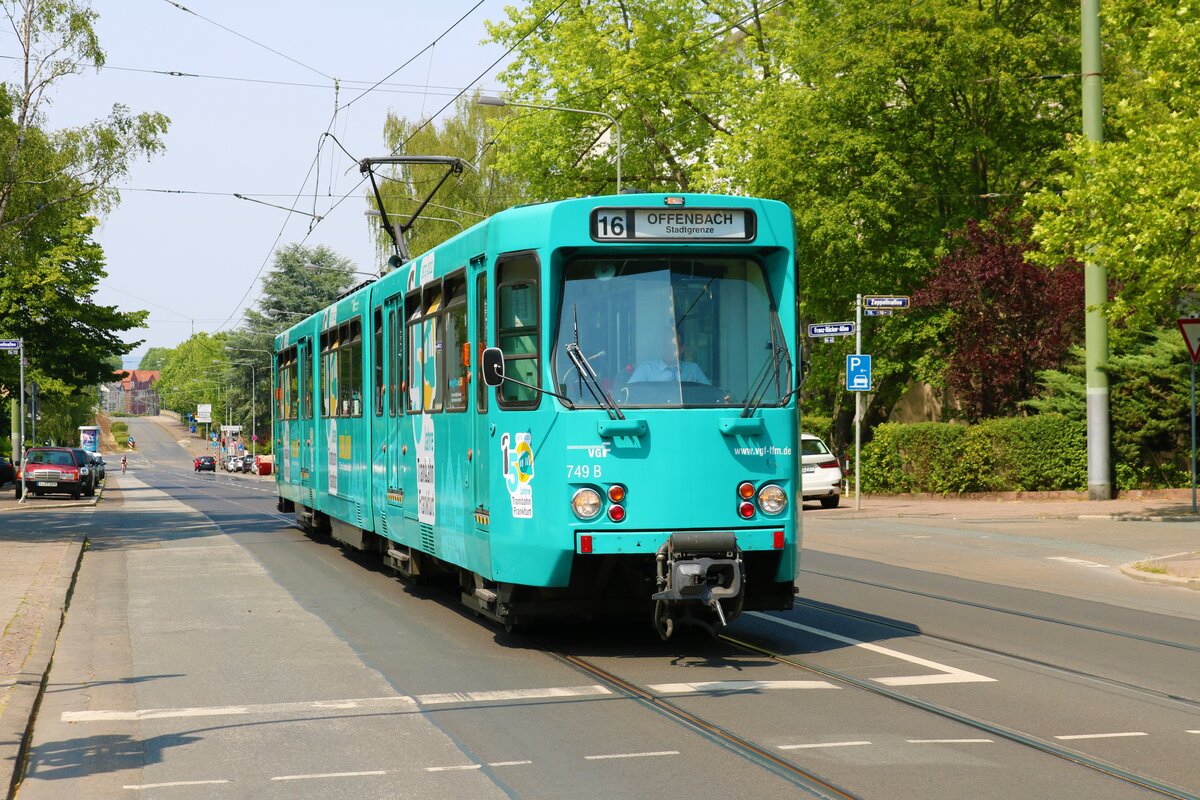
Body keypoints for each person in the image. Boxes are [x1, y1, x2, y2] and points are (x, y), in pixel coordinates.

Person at [628, 327, 710, 385]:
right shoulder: (646, 368)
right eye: (666, 346)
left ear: (682, 348)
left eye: (673, 346)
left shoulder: (693, 370)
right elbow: (629, 393)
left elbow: (710, 394)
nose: (669, 350)